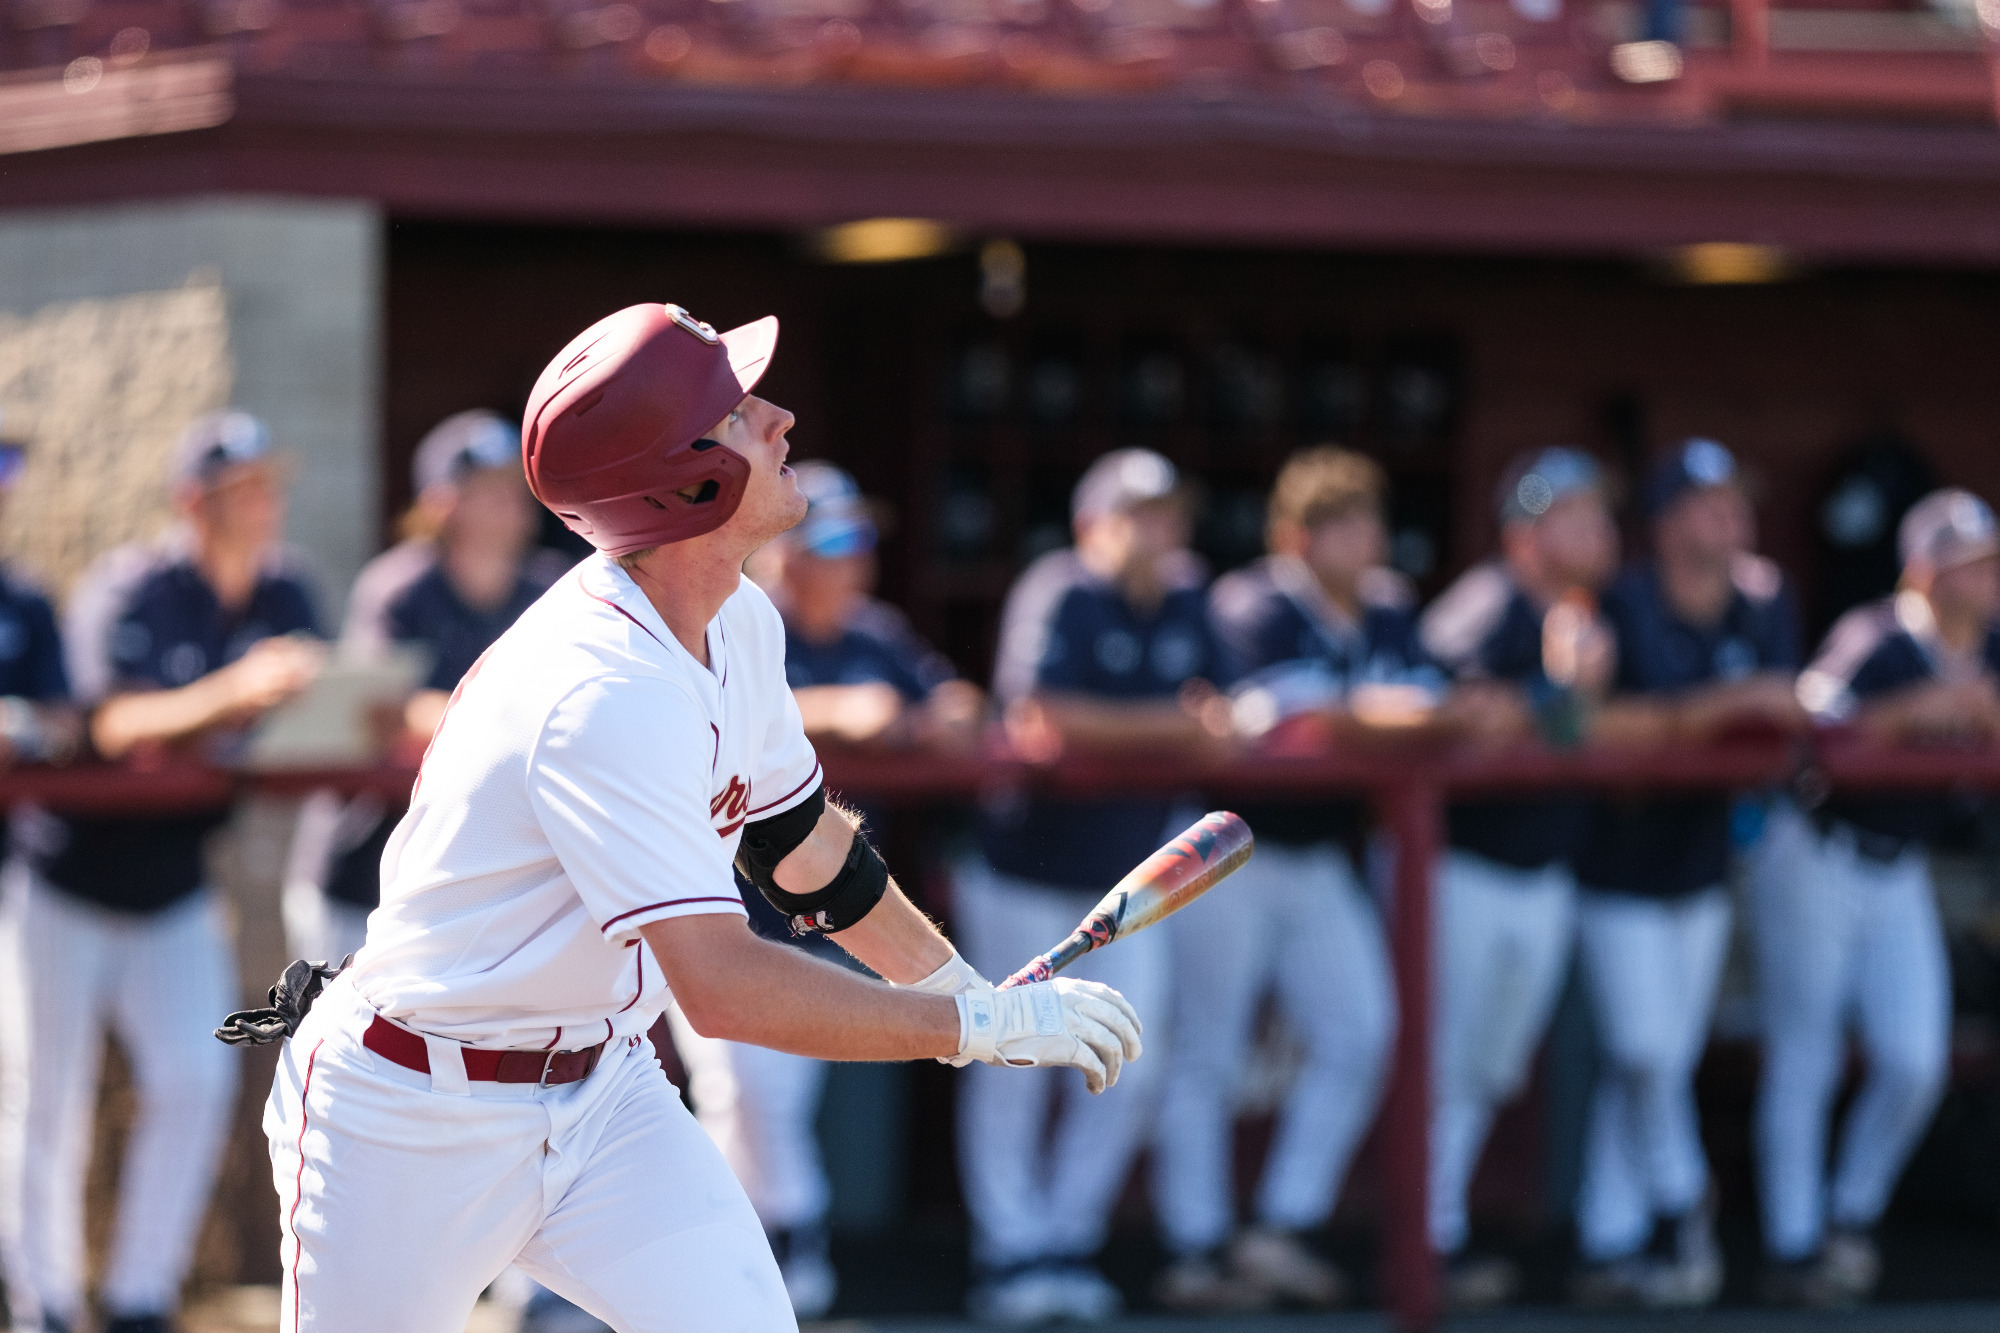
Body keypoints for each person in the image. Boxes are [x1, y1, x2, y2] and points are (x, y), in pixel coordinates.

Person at [244, 303, 1141, 1333]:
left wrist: (960, 989)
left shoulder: (738, 617)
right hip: (409, 1110)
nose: (782, 418)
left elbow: (800, 846)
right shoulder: (597, 690)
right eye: (741, 409)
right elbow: (717, 985)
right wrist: (967, 1030)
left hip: (602, 1091)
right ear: (685, 480)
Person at [3, 411, 324, 1333]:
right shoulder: (132, 586)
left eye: (270, 484)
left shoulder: (287, 589)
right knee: (44, 1096)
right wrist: (236, 693)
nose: (264, 503)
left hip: (181, 880)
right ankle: (45, 1304)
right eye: (242, 488)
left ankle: (141, 1297)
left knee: (196, 1077)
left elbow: (315, 710)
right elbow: (107, 723)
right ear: (196, 502)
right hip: (68, 879)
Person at [669, 460, 982, 1318]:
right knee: (746, 1091)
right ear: (783, 553)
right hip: (719, 908)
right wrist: (839, 711)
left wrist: (923, 717)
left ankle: (761, 1261)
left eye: (860, 542)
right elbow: (725, 713)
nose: (854, 561)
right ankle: (786, 1249)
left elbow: (957, 704)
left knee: (761, 1099)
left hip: (833, 911)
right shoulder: (736, 620)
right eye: (835, 540)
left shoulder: (875, 631)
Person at [958, 447, 1226, 1324]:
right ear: (1091, 523)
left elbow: (1229, 721)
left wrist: (1172, 733)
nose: (1158, 532)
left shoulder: (1191, 598)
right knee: (1013, 1060)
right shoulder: (1062, 586)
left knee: (1127, 1063)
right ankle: (1011, 1253)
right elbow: (1048, 715)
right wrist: (1168, 729)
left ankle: (1066, 1239)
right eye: (1136, 513)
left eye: (1168, 513)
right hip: (1026, 871)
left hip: (1126, 886)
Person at [1150, 448, 1421, 1313]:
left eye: (1370, 521)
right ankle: (1194, 1247)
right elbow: (1278, 721)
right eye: (1345, 524)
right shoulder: (1251, 605)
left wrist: (1391, 716)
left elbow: (1431, 700)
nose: (1368, 540)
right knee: (1206, 1048)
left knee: (1362, 1029)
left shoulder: (1385, 608)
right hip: (1226, 846)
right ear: (1299, 536)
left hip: (1316, 857)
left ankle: (1281, 1227)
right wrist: (1383, 717)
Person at [1569, 437, 1808, 1310]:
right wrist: (1723, 708)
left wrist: (1699, 723)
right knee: (1645, 1050)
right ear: (1667, 523)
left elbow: (1786, 720)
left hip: (1704, 859)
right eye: (1710, 502)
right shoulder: (1618, 600)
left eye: (1736, 500)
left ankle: (1608, 1242)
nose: (1732, 516)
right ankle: (1680, 1202)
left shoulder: (1763, 599)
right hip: (1616, 858)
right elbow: (1594, 726)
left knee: (1655, 1059)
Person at [1751, 488, 1999, 1306]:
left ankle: (1850, 1212)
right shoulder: (1875, 637)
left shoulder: (1992, 646)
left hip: (1902, 870)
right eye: (1971, 564)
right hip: (1820, 853)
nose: (1988, 578)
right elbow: (1811, 727)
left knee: (1914, 1057)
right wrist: (1911, 715)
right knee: (1805, 1054)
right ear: (1925, 569)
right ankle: (1794, 1244)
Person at [1418, 446, 1619, 1309]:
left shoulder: (1581, 614)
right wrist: (1564, 692)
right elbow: (1463, 719)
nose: (1600, 529)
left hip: (1538, 874)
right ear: (1527, 533)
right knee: (1444, 1064)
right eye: (1577, 513)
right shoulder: (1487, 605)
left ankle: (1441, 1233)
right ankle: (1422, 1244)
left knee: (1485, 1071)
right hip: (1462, 867)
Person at [283, 409, 569, 970]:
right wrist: (512, 723)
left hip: (476, 886)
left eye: (516, 482)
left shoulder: (552, 588)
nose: (510, 499)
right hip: (363, 870)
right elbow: (378, 709)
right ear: (443, 502)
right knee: (334, 1050)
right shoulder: (398, 586)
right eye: (489, 486)